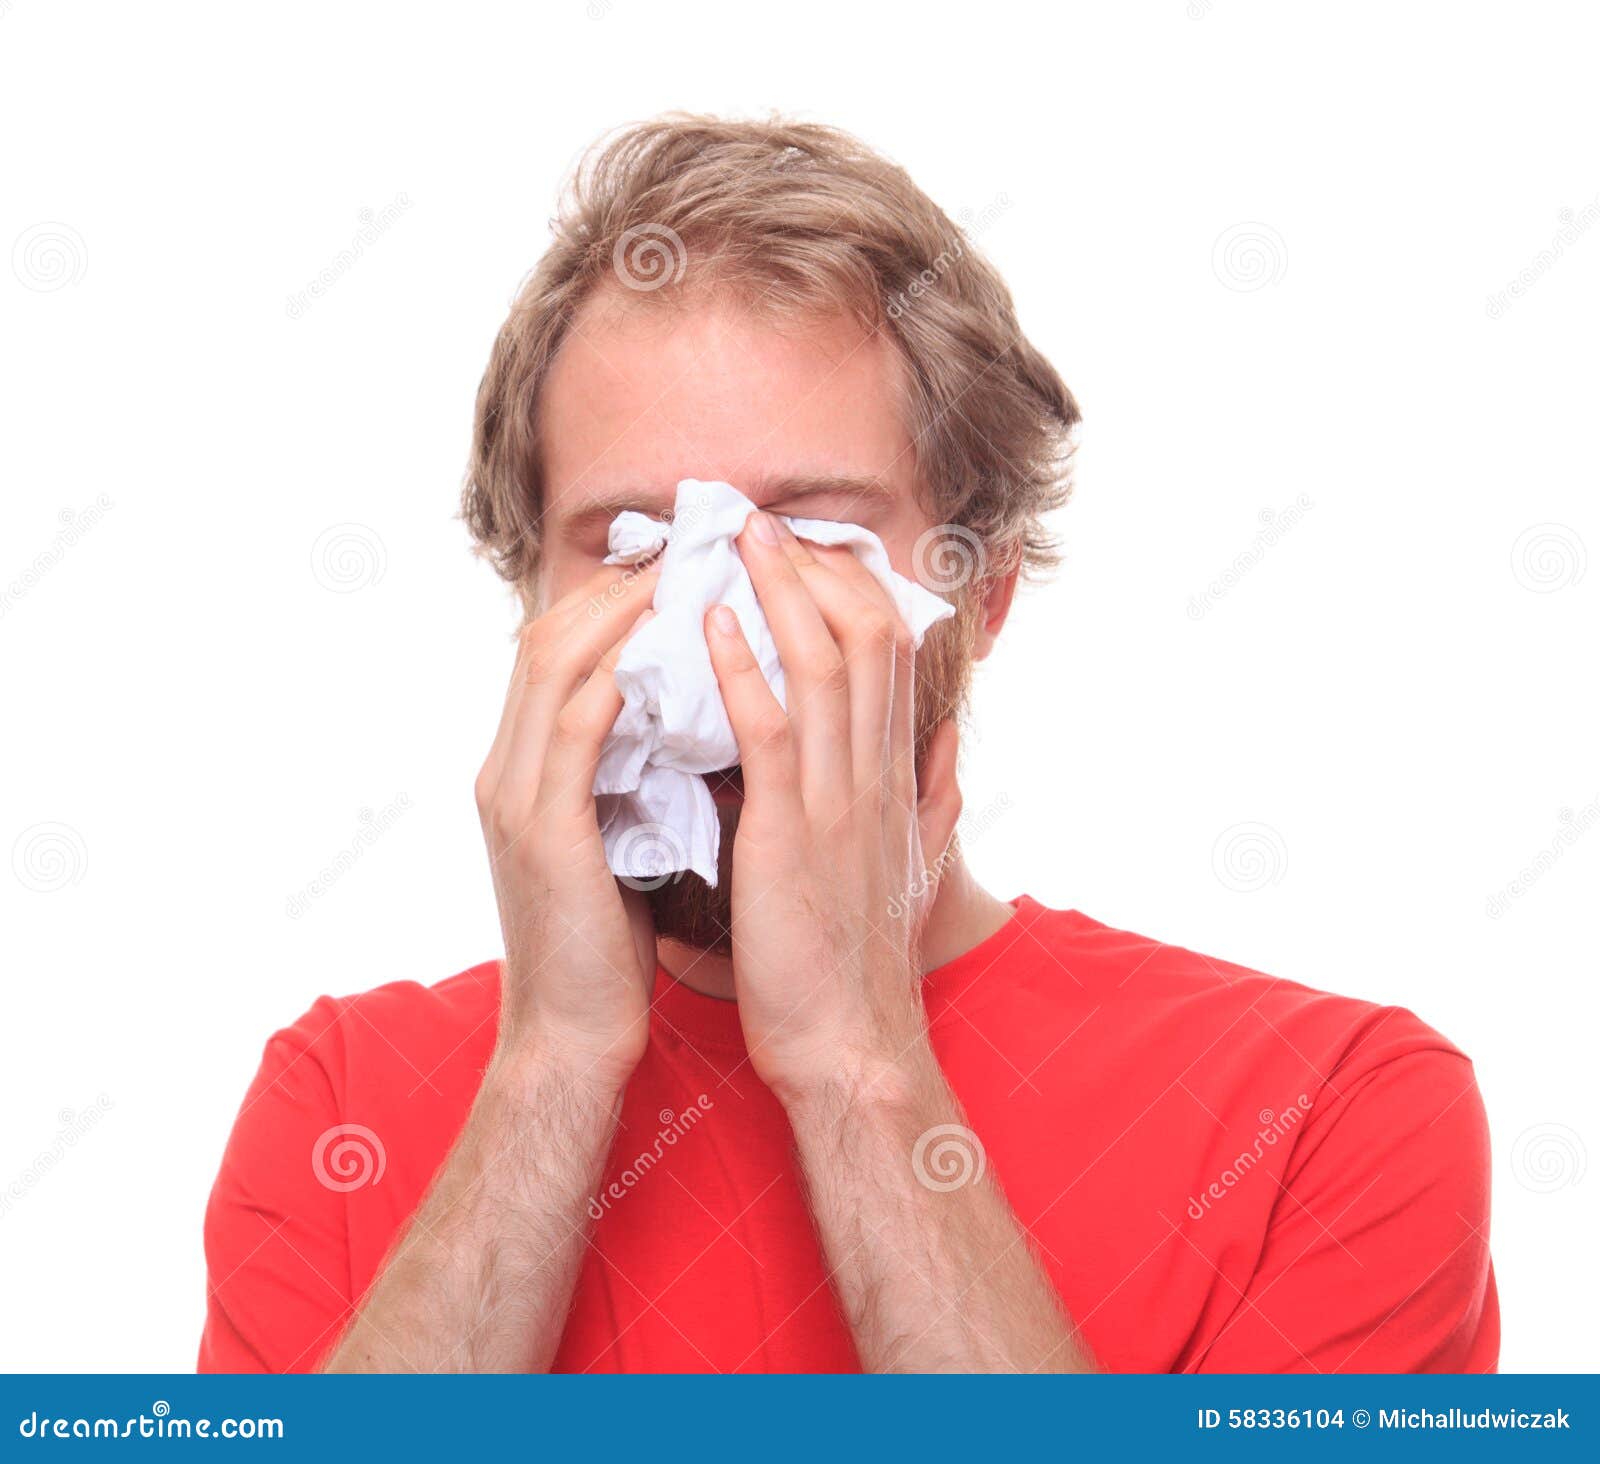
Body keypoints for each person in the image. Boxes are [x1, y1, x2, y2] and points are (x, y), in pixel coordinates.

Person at [199, 115, 1497, 1374]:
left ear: (981, 596)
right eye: (636, 543)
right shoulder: (340, 1108)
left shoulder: (1333, 1117)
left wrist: (856, 1062)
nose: (710, 625)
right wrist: (548, 1073)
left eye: (815, 535)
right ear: (531, 602)